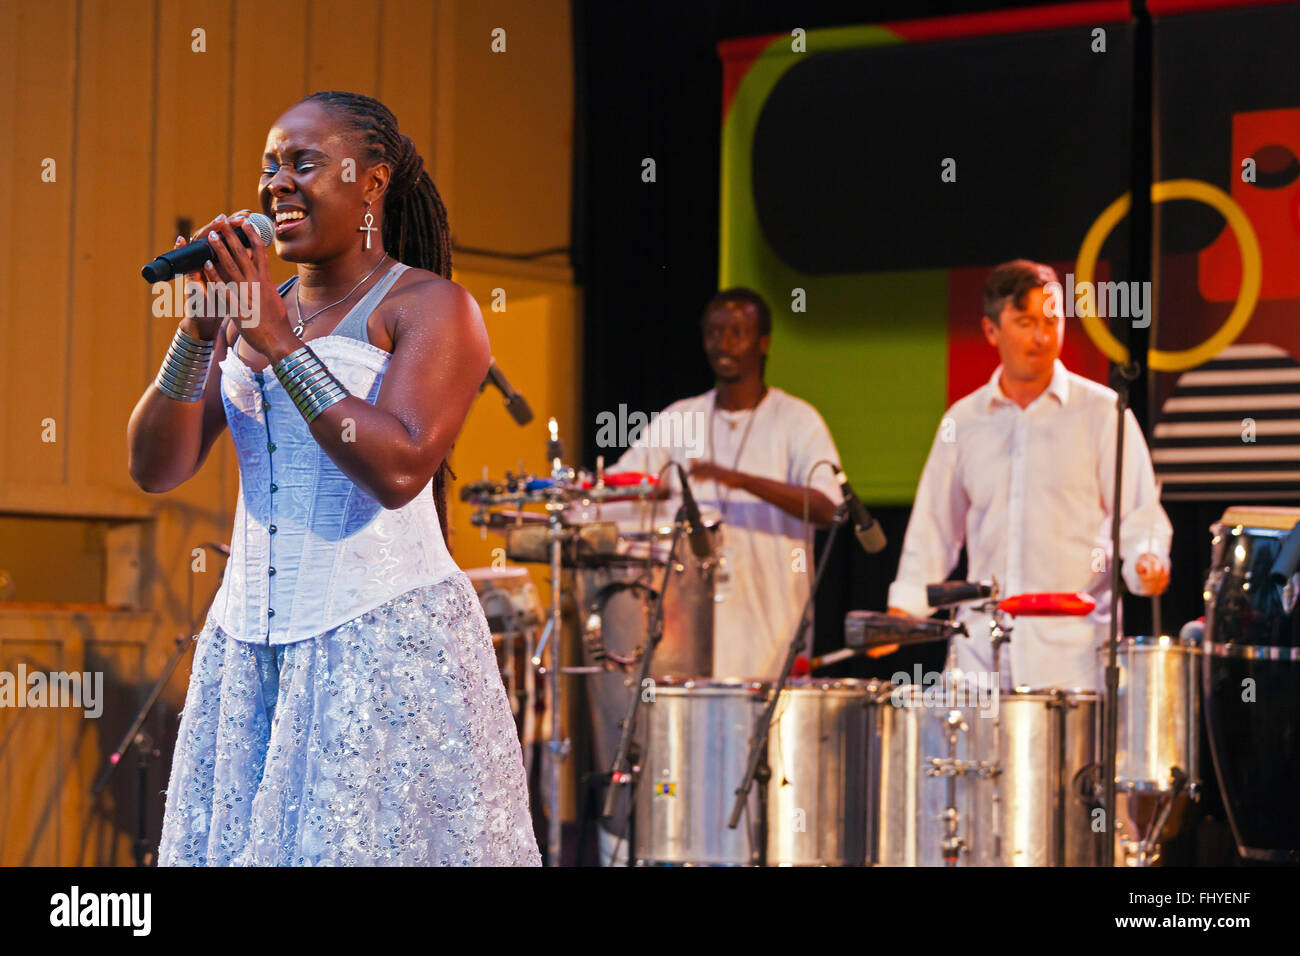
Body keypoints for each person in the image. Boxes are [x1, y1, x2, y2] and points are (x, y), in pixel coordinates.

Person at [129, 91, 540, 866]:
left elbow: (400, 466)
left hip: (379, 639)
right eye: (269, 167)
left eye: (303, 163)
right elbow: (156, 468)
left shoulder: (432, 307)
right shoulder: (259, 311)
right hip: (248, 653)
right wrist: (199, 329)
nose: (276, 183)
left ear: (371, 183)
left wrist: (278, 345)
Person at [885, 259, 1172, 690]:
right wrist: (905, 607)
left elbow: (1139, 515)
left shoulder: (1102, 412)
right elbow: (934, 529)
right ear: (991, 331)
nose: (1042, 336)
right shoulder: (963, 421)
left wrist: (1147, 560)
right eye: (1025, 322)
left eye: (1052, 320)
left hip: (1074, 657)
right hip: (980, 652)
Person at [608, 288, 844, 679]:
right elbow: (618, 486)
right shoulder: (680, 419)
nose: (724, 343)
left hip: (771, 634)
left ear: (763, 342)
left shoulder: (797, 420)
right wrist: (647, 489)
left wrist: (739, 479)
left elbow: (828, 508)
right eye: (714, 332)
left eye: (738, 332)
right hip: (685, 641)